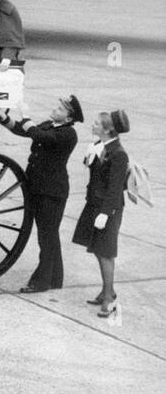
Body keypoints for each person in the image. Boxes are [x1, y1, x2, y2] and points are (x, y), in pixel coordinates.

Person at [0, 95, 81, 293]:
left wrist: (26, 116)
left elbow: (40, 136)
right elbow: (23, 130)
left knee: (47, 236)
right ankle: (55, 278)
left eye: (60, 109)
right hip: (38, 187)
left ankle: (41, 281)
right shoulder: (49, 124)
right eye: (57, 106)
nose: (55, 109)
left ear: (69, 118)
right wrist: (2, 116)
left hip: (52, 192)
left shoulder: (68, 134)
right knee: (49, 234)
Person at [72, 109, 130, 317]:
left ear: (107, 129)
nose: (93, 125)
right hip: (94, 204)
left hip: (107, 208)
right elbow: (94, 172)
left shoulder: (118, 154)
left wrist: (106, 213)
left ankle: (108, 298)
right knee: (97, 249)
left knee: (106, 252)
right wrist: (90, 156)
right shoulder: (100, 146)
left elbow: (115, 188)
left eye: (97, 123)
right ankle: (108, 290)